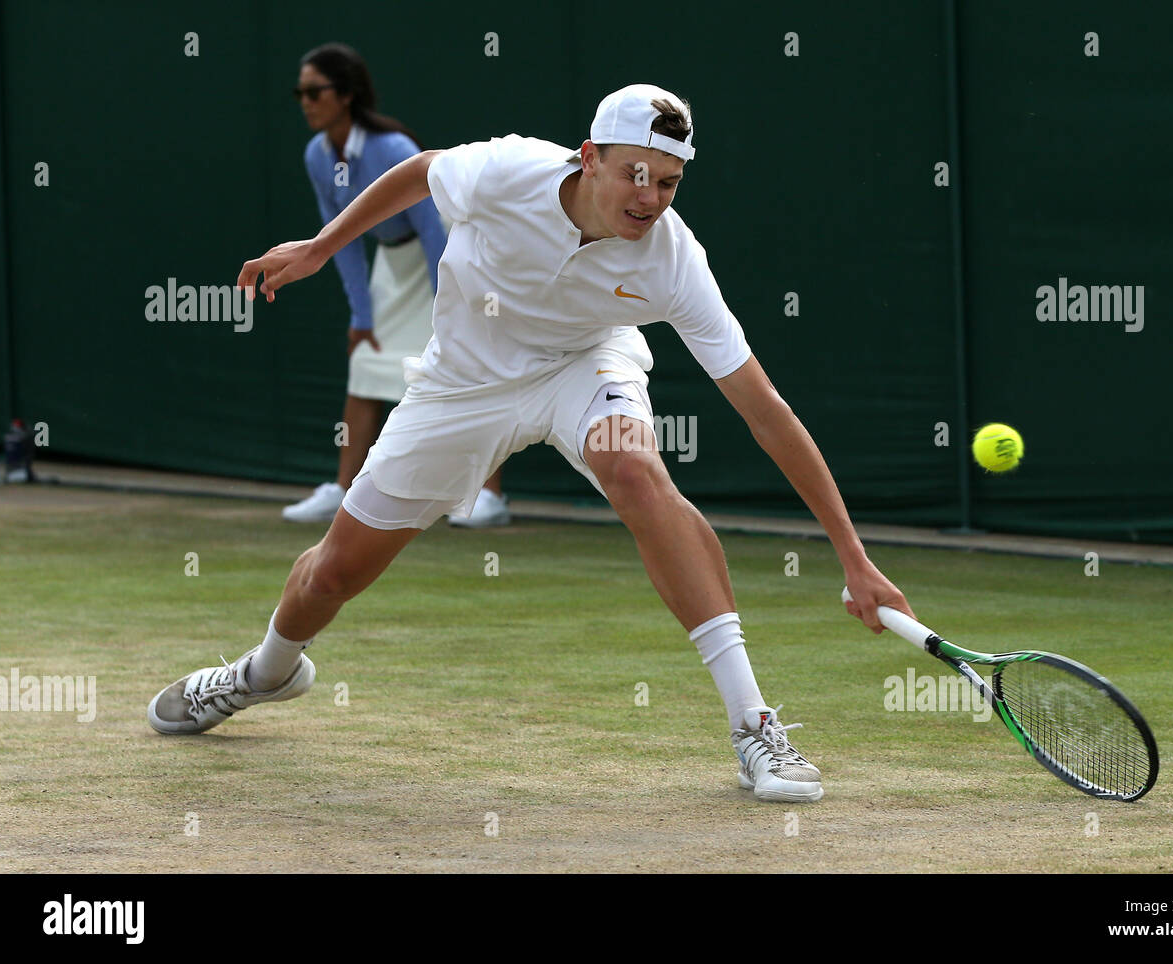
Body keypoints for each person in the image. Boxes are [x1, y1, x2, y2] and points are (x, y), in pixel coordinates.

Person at [148, 84, 915, 803]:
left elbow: (766, 409)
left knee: (635, 469)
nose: (649, 197)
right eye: (635, 174)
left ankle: (755, 728)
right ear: (589, 158)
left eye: (669, 183)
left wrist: (853, 556)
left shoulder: (674, 262)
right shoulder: (509, 171)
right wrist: (321, 245)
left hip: (586, 364)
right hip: (462, 382)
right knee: (334, 574)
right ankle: (265, 671)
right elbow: (420, 172)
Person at [280, 42, 509, 527]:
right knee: (365, 364)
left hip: (444, 255)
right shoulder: (316, 156)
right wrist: (360, 316)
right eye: (300, 92)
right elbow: (336, 239)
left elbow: (433, 230)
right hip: (391, 261)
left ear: (344, 95)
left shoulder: (393, 150)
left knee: (464, 368)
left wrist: (449, 302)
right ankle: (342, 489)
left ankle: (488, 496)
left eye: (314, 91)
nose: (305, 101)